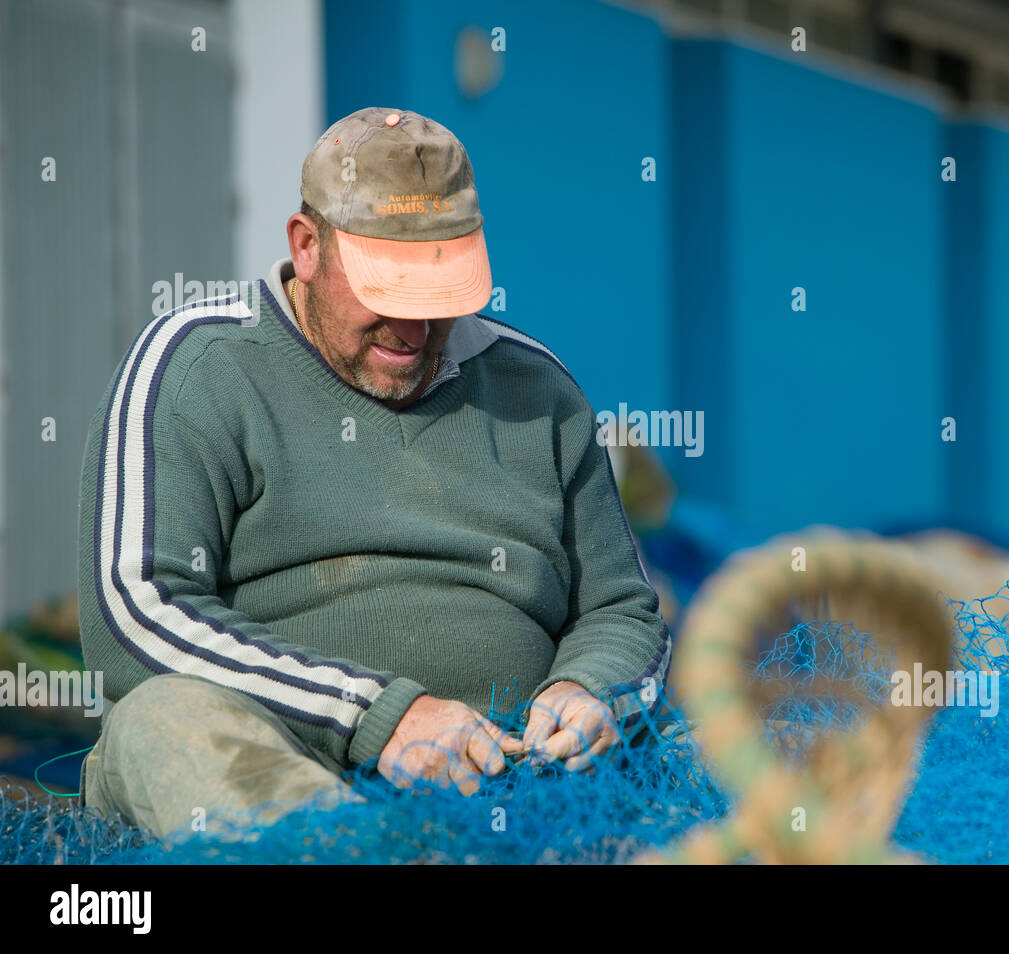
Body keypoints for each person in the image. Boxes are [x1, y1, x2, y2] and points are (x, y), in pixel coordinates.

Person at [75, 107, 671, 839]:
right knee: (159, 721)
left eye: (440, 295)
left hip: (512, 780)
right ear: (308, 246)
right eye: (388, 292)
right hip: (278, 759)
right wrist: (377, 717)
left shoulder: (538, 392)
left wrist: (589, 690)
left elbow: (620, 610)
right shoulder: (197, 367)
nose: (414, 330)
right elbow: (136, 611)